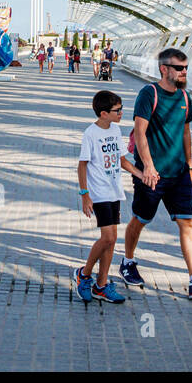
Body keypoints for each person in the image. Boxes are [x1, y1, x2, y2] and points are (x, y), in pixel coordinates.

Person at [118, 48, 192, 299]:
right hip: (152, 174)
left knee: (188, 222)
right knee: (141, 219)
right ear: (164, 69)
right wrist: (148, 166)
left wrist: (189, 166)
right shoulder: (149, 94)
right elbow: (140, 131)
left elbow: (186, 133)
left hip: (179, 174)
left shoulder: (184, 97)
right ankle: (128, 261)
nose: (184, 72)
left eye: (186, 67)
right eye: (179, 68)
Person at [74, 90, 128, 304]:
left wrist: (143, 175)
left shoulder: (116, 129)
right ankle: (84, 274)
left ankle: (102, 285)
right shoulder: (91, 133)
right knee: (107, 237)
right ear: (103, 113)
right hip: (98, 192)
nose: (121, 113)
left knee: (112, 240)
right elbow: (82, 164)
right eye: (118, 110)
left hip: (114, 190)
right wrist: (85, 194)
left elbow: (122, 160)